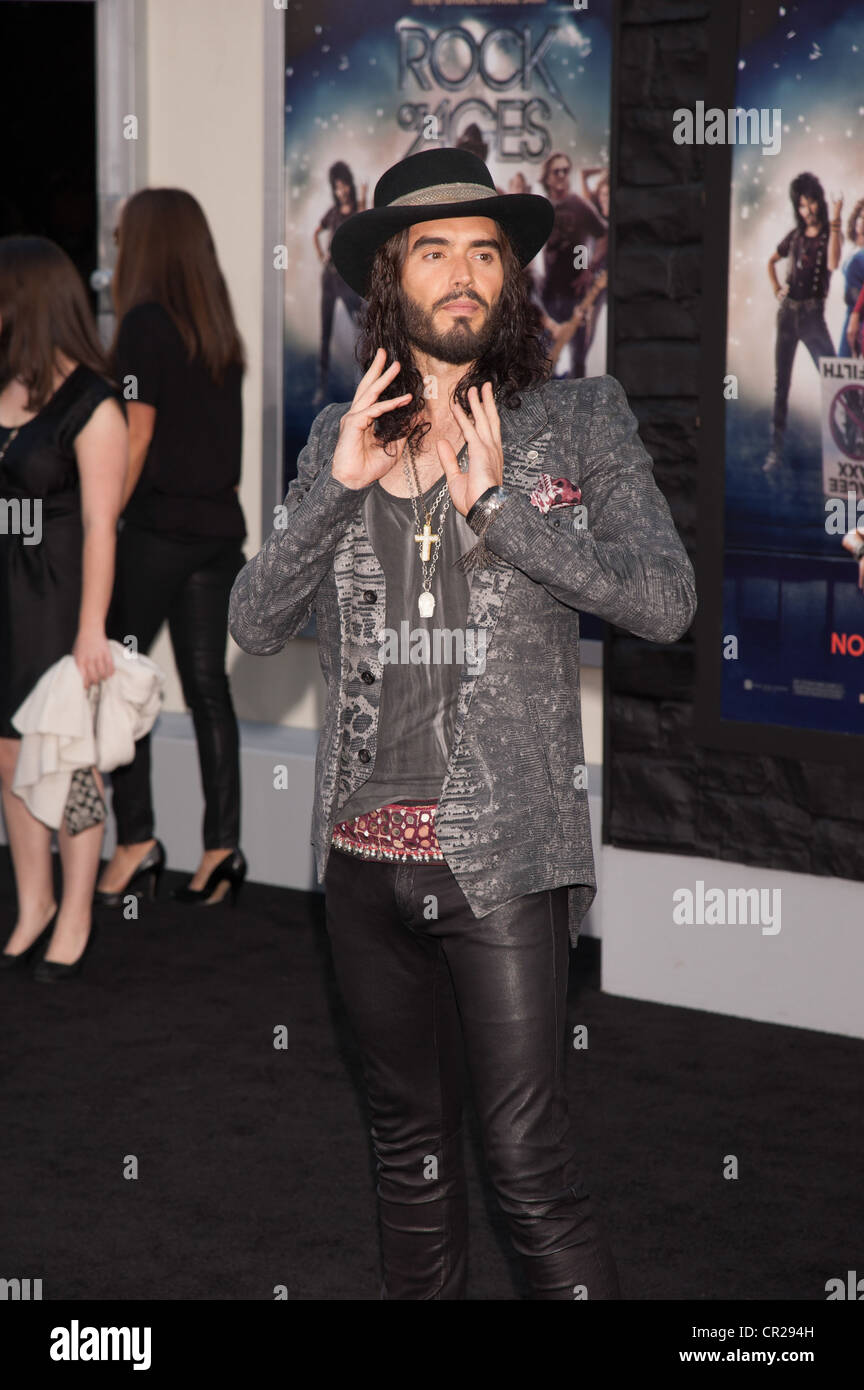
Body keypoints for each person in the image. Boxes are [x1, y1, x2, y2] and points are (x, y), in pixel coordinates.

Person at [228, 147, 696, 1300]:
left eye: (486, 250)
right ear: (389, 275)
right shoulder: (342, 428)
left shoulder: (579, 418)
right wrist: (335, 486)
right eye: (434, 249)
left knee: (529, 1166)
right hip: (359, 863)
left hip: (503, 859)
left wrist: (503, 511)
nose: (464, 272)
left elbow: (667, 603)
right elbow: (253, 618)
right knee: (408, 1153)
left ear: (511, 278)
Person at [95, 189, 247, 910]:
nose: (115, 247)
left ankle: (136, 842)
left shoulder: (143, 327)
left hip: (157, 534)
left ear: (146, 243)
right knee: (206, 688)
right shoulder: (217, 331)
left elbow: (139, 434)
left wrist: (101, 518)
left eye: (123, 235)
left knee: (119, 681)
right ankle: (221, 852)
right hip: (220, 533)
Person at [0, 236, 127, 979]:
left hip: (58, 599)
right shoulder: (4, 384)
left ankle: (77, 913)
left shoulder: (93, 400)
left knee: (71, 762)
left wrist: (91, 631)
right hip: (5, 594)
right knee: (11, 757)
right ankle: (34, 905)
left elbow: (103, 527)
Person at [765, 173, 843, 473]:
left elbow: (834, 263)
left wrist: (835, 220)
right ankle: (775, 451)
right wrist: (776, 289)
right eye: (801, 205)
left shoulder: (828, 235)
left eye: (810, 202)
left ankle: (842, 453)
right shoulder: (795, 236)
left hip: (813, 316)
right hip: (787, 315)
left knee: (834, 381)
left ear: (819, 201)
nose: (807, 210)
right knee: (781, 385)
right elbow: (770, 261)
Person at [538, 151, 607, 377]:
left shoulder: (579, 204)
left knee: (578, 358)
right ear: (547, 176)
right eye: (556, 171)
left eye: (565, 170)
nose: (561, 175)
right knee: (546, 358)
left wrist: (590, 268)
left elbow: (604, 235)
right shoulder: (543, 207)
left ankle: (580, 411)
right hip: (549, 293)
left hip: (575, 292)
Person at [313, 162, 366, 405]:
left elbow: (365, 227)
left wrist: (365, 198)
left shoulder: (357, 210)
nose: (341, 191)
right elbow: (316, 232)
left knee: (362, 330)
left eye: (344, 186)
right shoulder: (333, 212)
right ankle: (321, 387)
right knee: (325, 333)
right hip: (329, 277)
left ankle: (364, 386)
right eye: (337, 187)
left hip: (346, 280)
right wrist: (321, 256)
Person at [838, 197, 864, 357]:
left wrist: (855, 314)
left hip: (859, 314)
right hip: (851, 313)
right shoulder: (854, 250)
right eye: (862, 216)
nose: (863, 222)